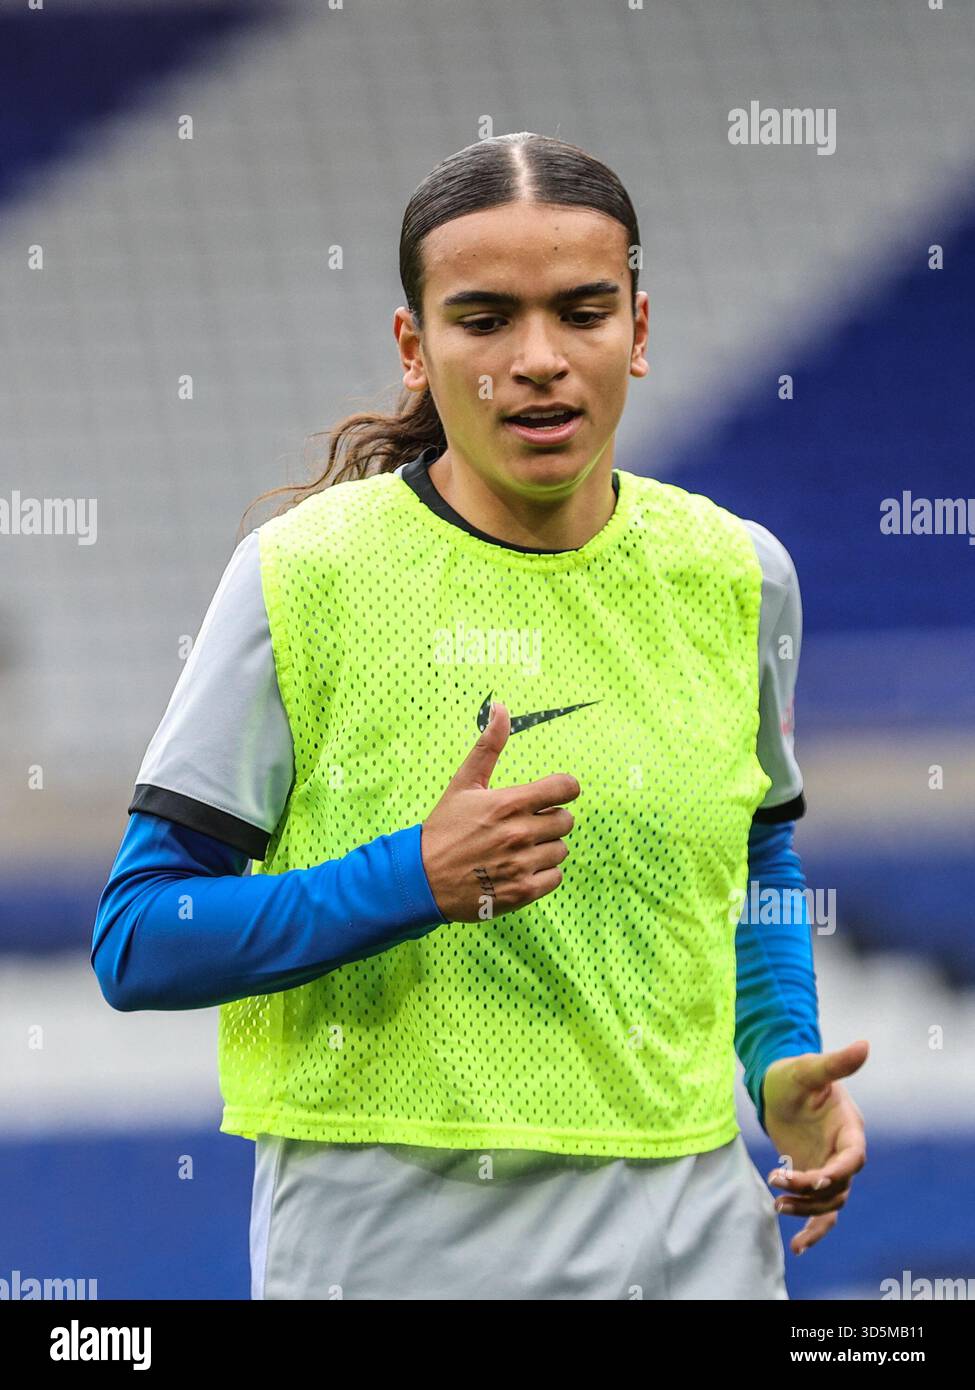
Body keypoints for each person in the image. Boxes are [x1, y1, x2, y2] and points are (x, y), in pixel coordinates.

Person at [92, 132, 867, 1300]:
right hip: (395, 1239)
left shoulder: (740, 574)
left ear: (640, 332)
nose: (541, 359)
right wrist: (412, 876)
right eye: (486, 318)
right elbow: (139, 936)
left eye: (584, 312)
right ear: (416, 347)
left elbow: (758, 845)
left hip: (698, 1231)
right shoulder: (301, 579)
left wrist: (778, 1056)